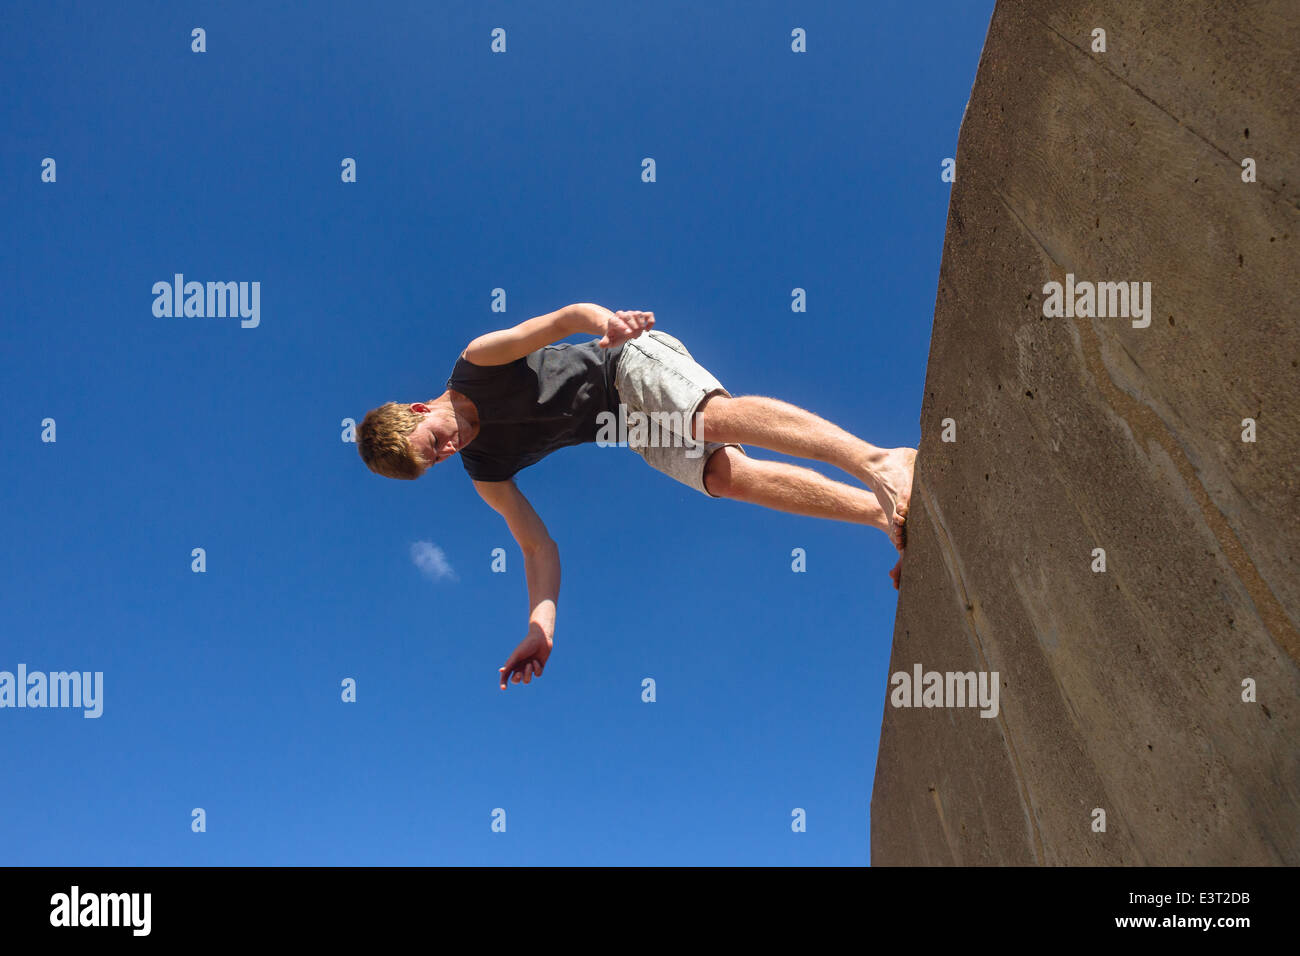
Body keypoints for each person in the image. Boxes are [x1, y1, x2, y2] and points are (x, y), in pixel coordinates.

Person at [358, 303, 915, 689]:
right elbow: (536, 547)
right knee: (724, 478)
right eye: (438, 460)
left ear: (417, 412)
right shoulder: (485, 471)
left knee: (708, 421)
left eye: (435, 441)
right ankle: (882, 515)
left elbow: (563, 319)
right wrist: (540, 628)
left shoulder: (477, 362)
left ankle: (879, 462)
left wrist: (610, 324)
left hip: (625, 361)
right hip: (624, 426)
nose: (449, 449)